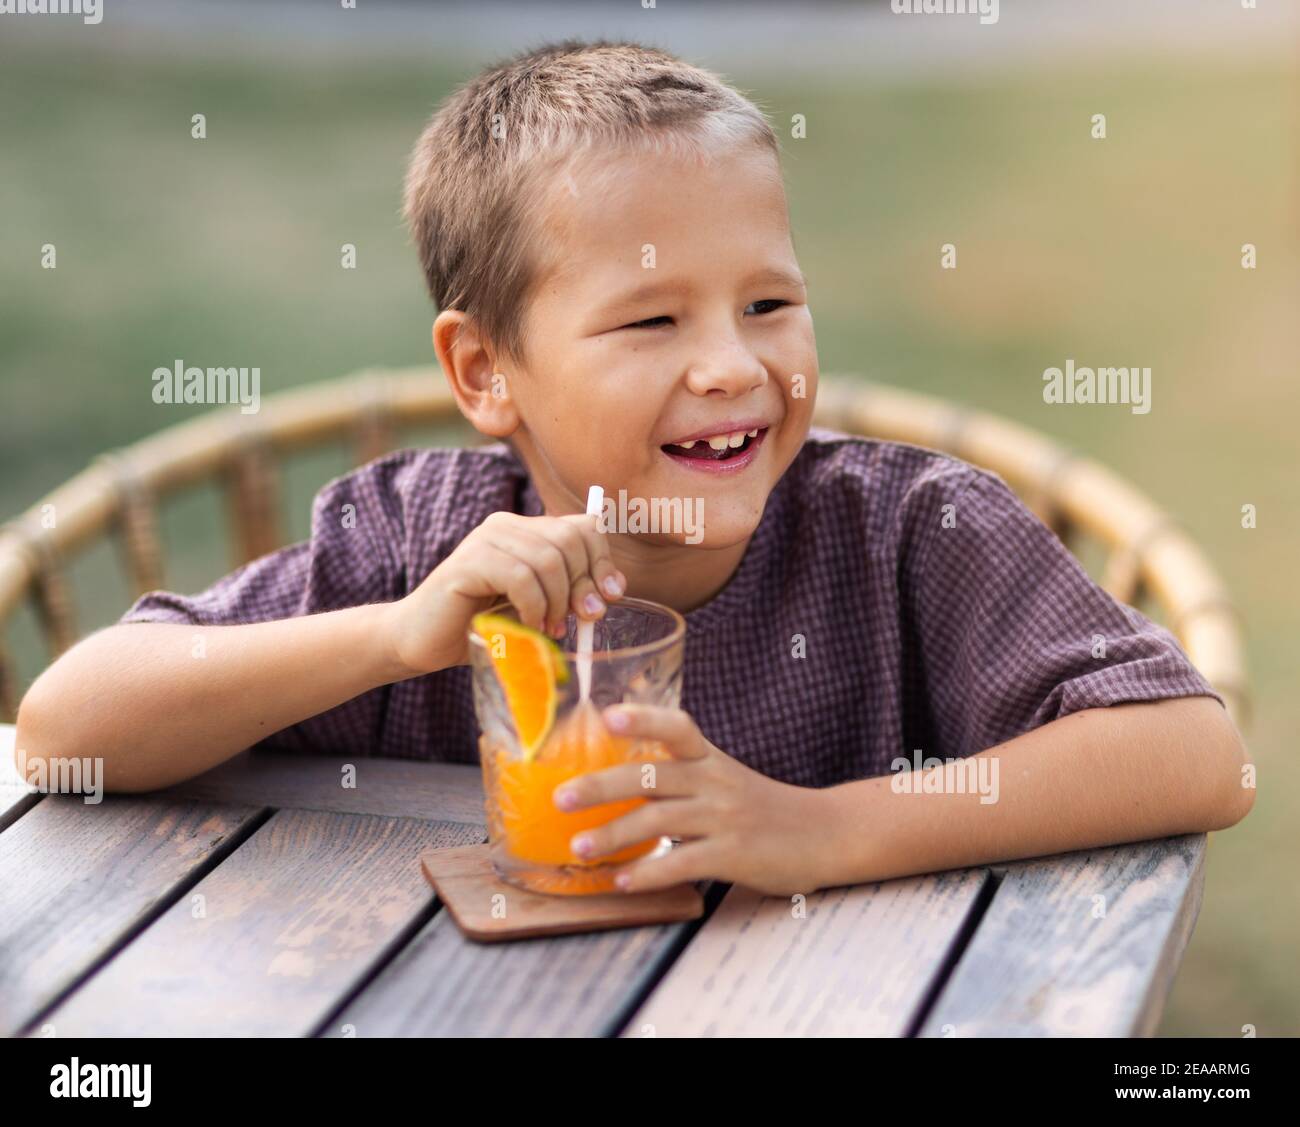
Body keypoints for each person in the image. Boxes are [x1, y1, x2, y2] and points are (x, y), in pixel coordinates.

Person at [15, 40, 1252, 897]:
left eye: (769, 301)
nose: (731, 366)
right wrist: (394, 636)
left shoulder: (906, 535)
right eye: (652, 321)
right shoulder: (412, 546)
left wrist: (819, 829)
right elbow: (67, 728)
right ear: (486, 371)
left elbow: (1194, 754)